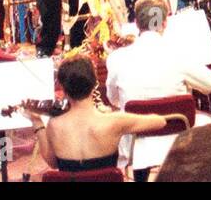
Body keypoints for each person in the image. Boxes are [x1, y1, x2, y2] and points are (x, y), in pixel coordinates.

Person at [26, 57, 167, 174]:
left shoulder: (54, 124)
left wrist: (37, 122)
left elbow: (53, 163)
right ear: (94, 84)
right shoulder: (114, 121)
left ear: (63, 89)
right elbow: (160, 122)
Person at [104, 0, 211, 111]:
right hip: (179, 127)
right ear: (164, 23)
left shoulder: (116, 59)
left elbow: (113, 99)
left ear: (136, 23)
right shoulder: (179, 55)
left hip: (137, 128)